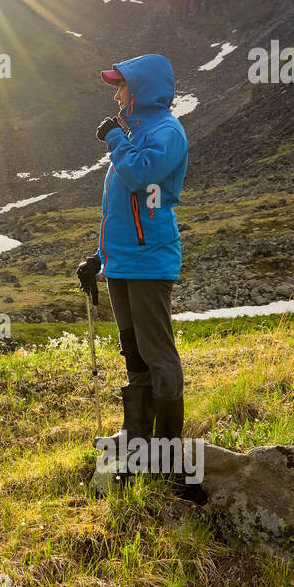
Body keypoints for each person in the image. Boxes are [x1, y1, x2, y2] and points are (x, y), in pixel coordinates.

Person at [76, 54, 188, 474]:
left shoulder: (166, 132)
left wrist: (115, 140)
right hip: (123, 264)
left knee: (158, 355)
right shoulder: (136, 132)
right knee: (134, 354)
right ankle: (138, 446)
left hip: (149, 263)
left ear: (141, 88)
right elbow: (123, 211)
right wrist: (99, 258)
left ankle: (169, 456)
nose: (116, 94)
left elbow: (144, 177)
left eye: (121, 86)